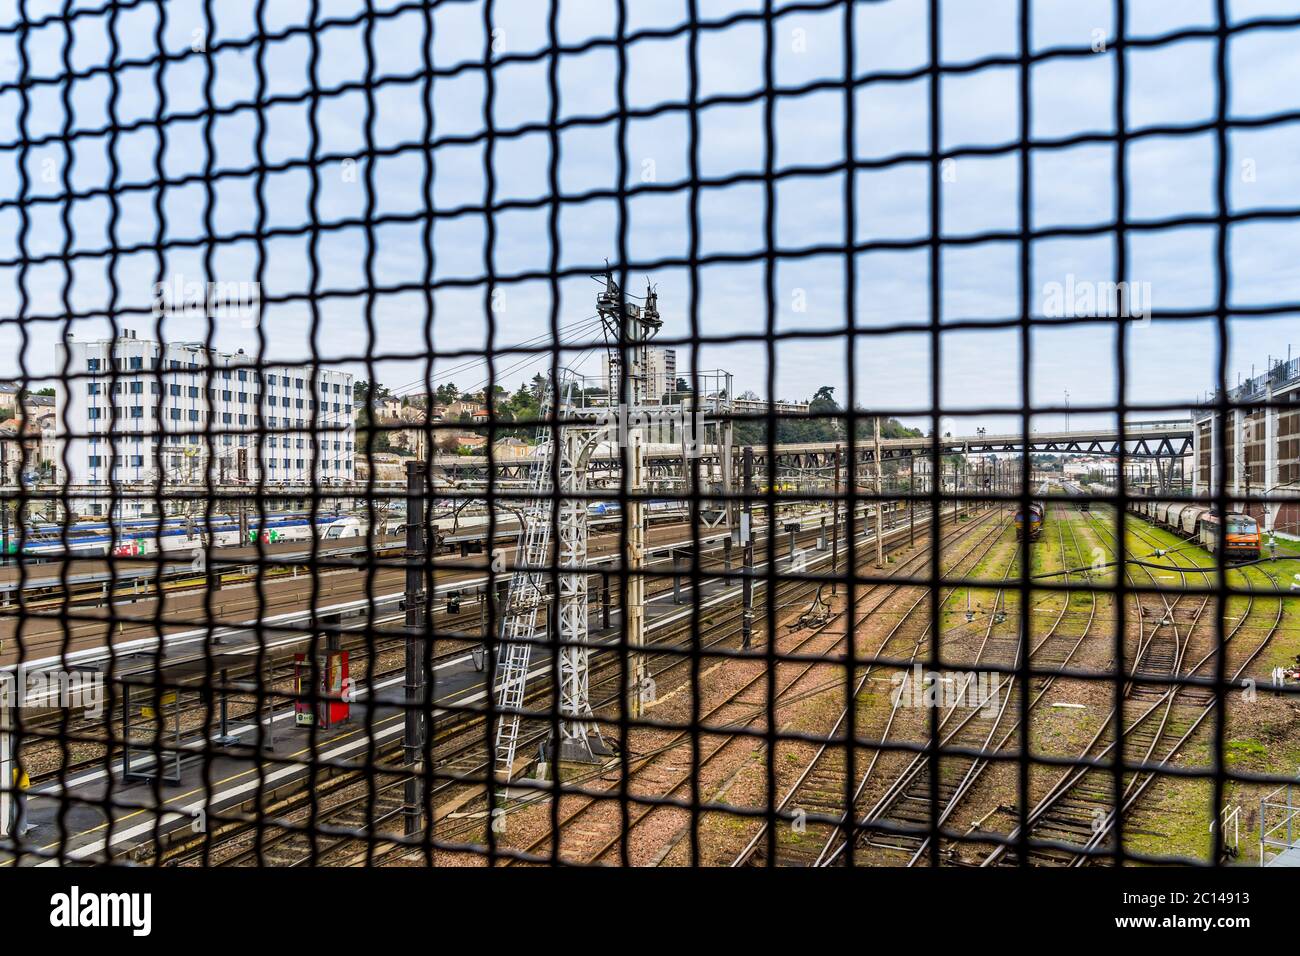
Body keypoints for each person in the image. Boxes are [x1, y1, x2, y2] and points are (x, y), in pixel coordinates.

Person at [9, 765, 31, 838]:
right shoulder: (18, 769)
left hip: (18, 789)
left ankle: (20, 830)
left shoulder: (11, 771)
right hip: (22, 787)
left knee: (16, 810)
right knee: (21, 810)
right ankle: (22, 829)